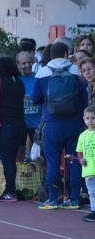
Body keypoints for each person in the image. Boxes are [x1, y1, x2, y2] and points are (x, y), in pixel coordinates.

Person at [32, 41, 86, 210]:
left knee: (53, 162)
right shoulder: (75, 70)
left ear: (50, 55)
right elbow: (84, 98)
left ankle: (53, 198)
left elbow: (35, 98)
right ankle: (74, 198)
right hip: (74, 123)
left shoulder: (42, 72)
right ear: (66, 54)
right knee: (74, 160)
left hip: (52, 124)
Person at [0, 56, 26, 201]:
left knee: (7, 160)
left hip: (4, 126)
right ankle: (11, 189)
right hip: (20, 125)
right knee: (12, 159)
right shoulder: (18, 82)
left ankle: (10, 191)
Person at [76, 106, 95, 222]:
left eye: (93, 118)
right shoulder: (82, 135)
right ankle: (93, 211)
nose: (90, 121)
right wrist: (81, 159)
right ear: (84, 119)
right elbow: (79, 151)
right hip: (88, 170)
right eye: (88, 118)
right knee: (92, 192)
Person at [18, 50, 41, 148]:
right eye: (23, 63)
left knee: (39, 153)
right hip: (21, 123)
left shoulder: (38, 77)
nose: (27, 65)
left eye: (29, 62)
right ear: (18, 64)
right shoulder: (15, 79)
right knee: (20, 151)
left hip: (37, 123)